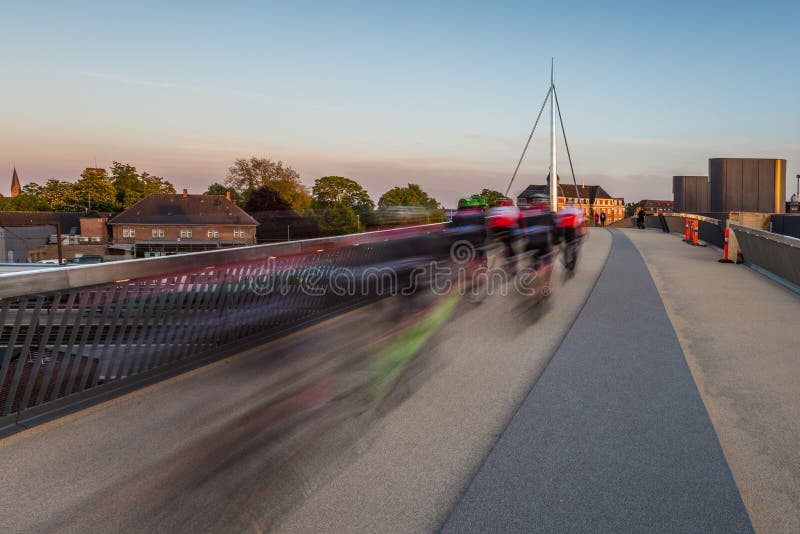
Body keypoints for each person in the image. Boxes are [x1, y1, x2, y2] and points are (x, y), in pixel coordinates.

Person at [518, 193, 555, 270]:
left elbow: (520, 227)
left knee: (533, 260)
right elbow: (554, 229)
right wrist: (556, 241)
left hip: (529, 242)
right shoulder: (547, 213)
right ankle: (546, 280)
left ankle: (532, 271)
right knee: (548, 261)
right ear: (544, 202)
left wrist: (524, 236)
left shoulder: (524, 212)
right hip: (542, 242)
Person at [487, 197, 520, 265]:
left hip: (496, 230)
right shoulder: (513, 209)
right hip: (508, 229)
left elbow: (489, 222)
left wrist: (492, 236)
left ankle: (497, 249)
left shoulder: (494, 209)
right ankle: (512, 259)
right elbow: (518, 220)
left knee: (501, 241)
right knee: (511, 243)